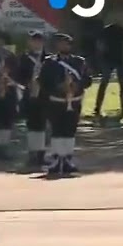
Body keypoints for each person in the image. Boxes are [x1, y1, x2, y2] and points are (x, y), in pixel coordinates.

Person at [39, 33, 93, 178]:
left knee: (70, 130)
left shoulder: (79, 62)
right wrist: (59, 87)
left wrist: (76, 85)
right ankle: (56, 159)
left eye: (67, 43)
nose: (64, 46)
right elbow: (43, 81)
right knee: (57, 130)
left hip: (74, 101)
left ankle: (67, 158)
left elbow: (87, 80)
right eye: (61, 43)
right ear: (57, 45)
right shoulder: (49, 62)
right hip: (56, 101)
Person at [15, 31, 49, 169]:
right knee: (31, 125)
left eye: (39, 40)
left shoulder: (48, 58)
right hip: (29, 94)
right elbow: (18, 75)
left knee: (42, 125)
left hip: (44, 95)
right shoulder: (24, 58)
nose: (36, 43)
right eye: (34, 40)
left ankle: (41, 154)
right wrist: (26, 82)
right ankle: (32, 153)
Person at [94, 17, 123, 118]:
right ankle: (98, 107)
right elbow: (100, 44)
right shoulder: (107, 30)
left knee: (121, 85)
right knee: (106, 83)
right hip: (109, 60)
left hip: (118, 60)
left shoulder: (122, 31)